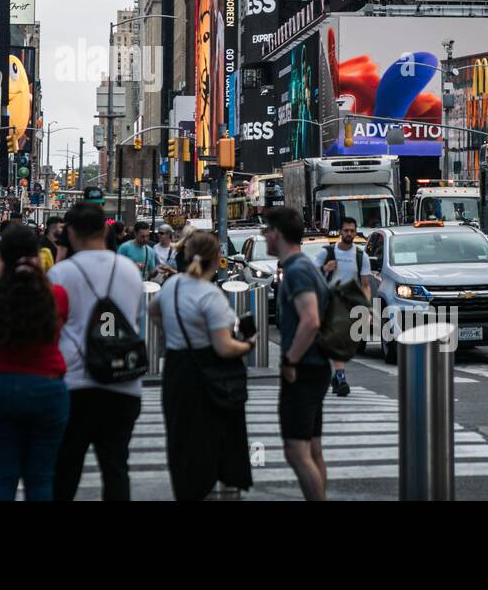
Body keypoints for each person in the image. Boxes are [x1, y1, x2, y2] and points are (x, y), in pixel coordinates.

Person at [49, 201, 146, 501]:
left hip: (75, 383)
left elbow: (50, 326)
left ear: (72, 232)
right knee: (116, 466)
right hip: (124, 382)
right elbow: (136, 321)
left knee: (66, 467)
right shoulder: (129, 270)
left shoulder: (61, 273)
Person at [149, 231, 253, 501]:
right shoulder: (210, 295)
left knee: (184, 442)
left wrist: (172, 333)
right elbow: (224, 346)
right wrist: (249, 345)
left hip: (177, 370)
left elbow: (153, 311)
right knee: (221, 446)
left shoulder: (172, 285)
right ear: (217, 258)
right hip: (211, 377)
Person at [0, 225, 70, 500]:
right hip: (47, 386)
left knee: (2, 477)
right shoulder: (56, 295)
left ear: (1, 256)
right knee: (40, 479)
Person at [263, 205, 330, 501]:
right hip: (315, 366)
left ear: (277, 234)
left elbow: (311, 319)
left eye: (266, 230)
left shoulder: (297, 270)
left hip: (304, 368)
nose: (264, 236)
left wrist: (291, 359)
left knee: (296, 451)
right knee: (312, 447)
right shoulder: (304, 267)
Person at [314, 217, 371, 398]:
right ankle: (338, 377)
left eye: (352, 231)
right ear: (340, 232)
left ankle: (338, 376)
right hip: (327, 301)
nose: (349, 234)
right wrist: (325, 268)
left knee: (342, 340)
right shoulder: (327, 252)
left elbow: (365, 285)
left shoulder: (361, 256)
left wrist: (366, 308)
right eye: (346, 230)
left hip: (348, 304)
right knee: (333, 340)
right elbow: (311, 274)